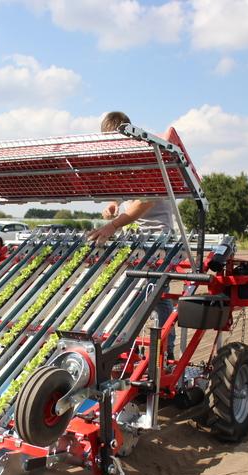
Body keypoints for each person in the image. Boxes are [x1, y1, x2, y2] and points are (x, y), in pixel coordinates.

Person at [87, 111, 177, 357]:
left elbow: (144, 202)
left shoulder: (149, 157)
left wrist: (113, 225)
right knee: (130, 289)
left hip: (158, 236)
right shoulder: (125, 160)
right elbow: (125, 191)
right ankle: (125, 349)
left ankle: (164, 353)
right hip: (136, 238)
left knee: (154, 294)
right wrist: (115, 203)